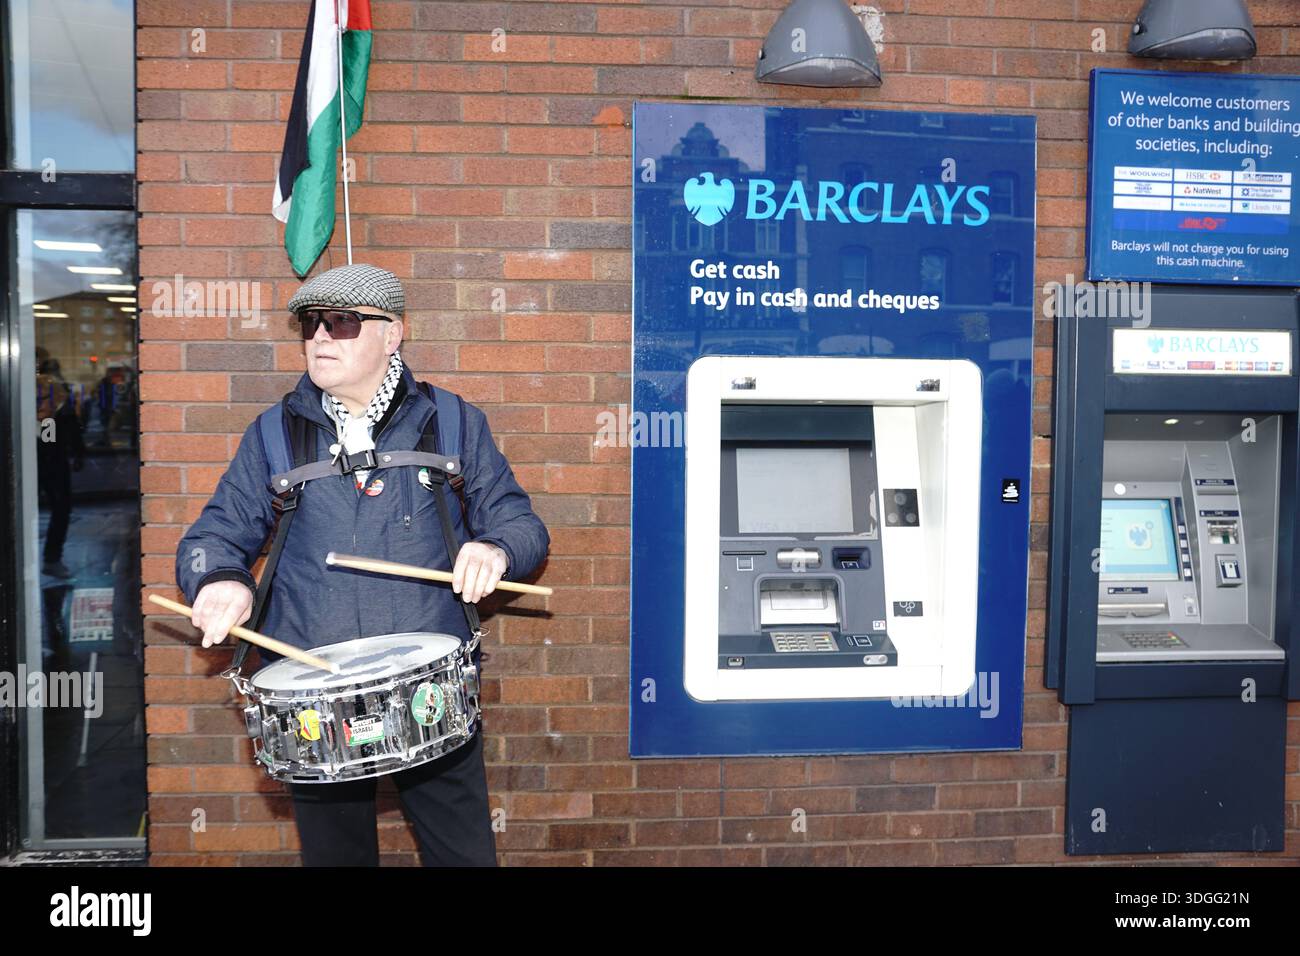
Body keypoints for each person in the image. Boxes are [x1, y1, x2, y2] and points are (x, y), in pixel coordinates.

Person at [174, 264, 549, 866]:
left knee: (464, 857)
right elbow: (215, 534)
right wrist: (219, 579)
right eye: (310, 323)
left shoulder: (451, 421)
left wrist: (496, 549)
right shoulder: (274, 434)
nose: (320, 337)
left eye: (342, 322)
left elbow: (522, 524)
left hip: (430, 691)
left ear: (392, 334)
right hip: (311, 694)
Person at [36, 374, 85, 578]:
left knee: (61, 510)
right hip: (40, 468)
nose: (40, 404)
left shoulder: (58, 417)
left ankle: (52, 558)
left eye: (44, 399)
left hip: (54, 468)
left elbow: (55, 443)